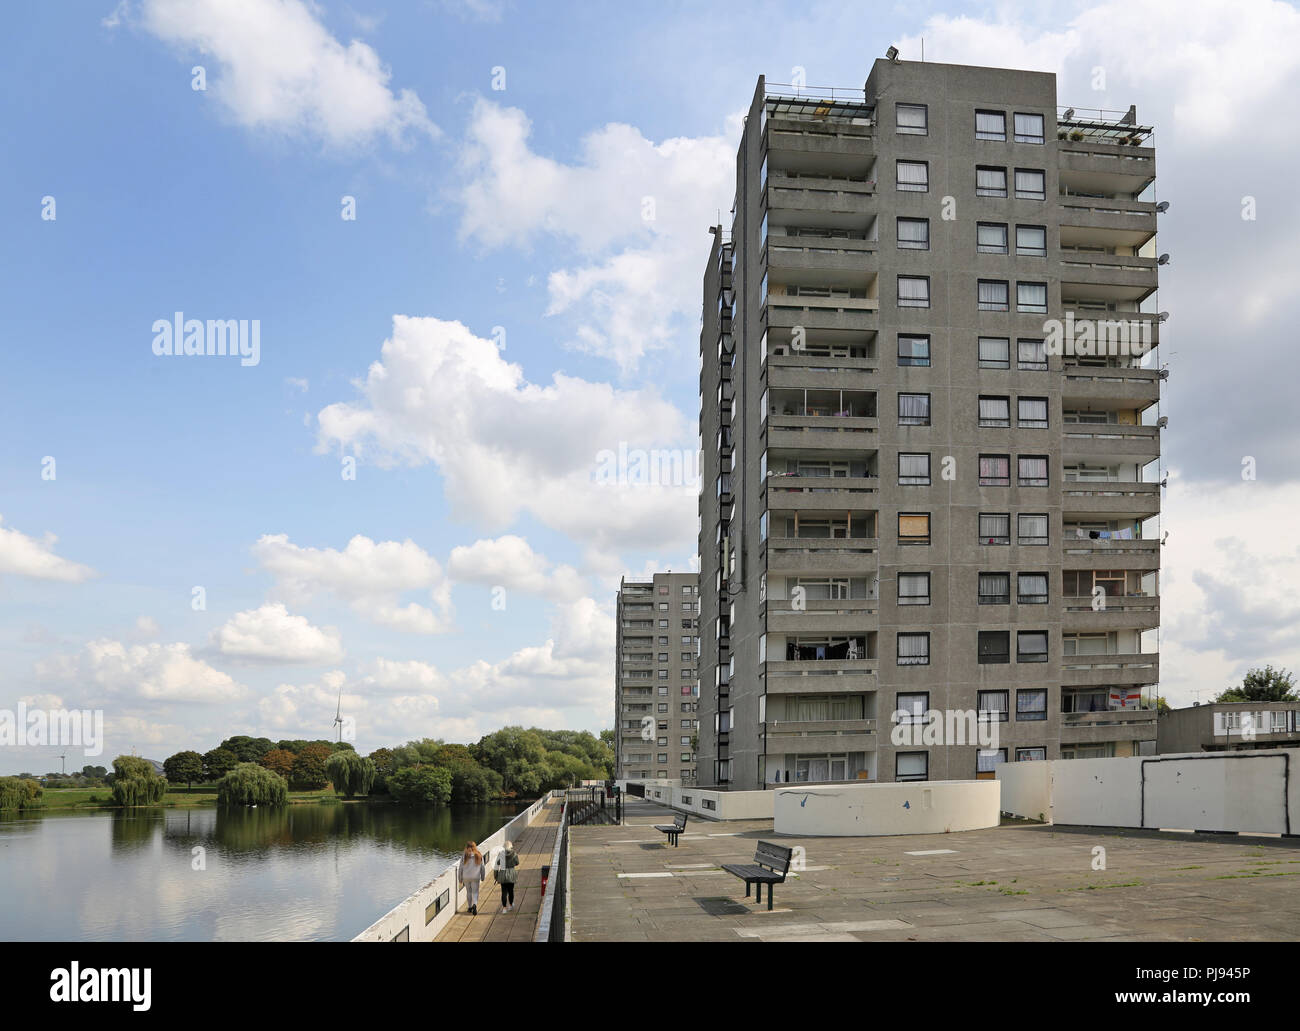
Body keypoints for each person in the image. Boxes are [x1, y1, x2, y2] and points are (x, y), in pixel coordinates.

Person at [459, 841, 485, 915]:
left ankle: (470, 907)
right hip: (476, 877)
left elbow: (460, 868)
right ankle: (475, 905)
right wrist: (482, 876)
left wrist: (460, 878)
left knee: (469, 892)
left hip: (466, 877)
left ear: (466, 847)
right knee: (475, 892)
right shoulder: (479, 854)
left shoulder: (464, 855)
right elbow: (482, 867)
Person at [493, 839, 520, 912]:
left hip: (503, 875)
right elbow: (517, 863)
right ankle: (511, 905)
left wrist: (496, 876)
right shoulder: (514, 854)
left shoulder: (501, 854)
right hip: (511, 874)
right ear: (511, 847)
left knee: (504, 892)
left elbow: (497, 865)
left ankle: (504, 908)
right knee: (511, 891)